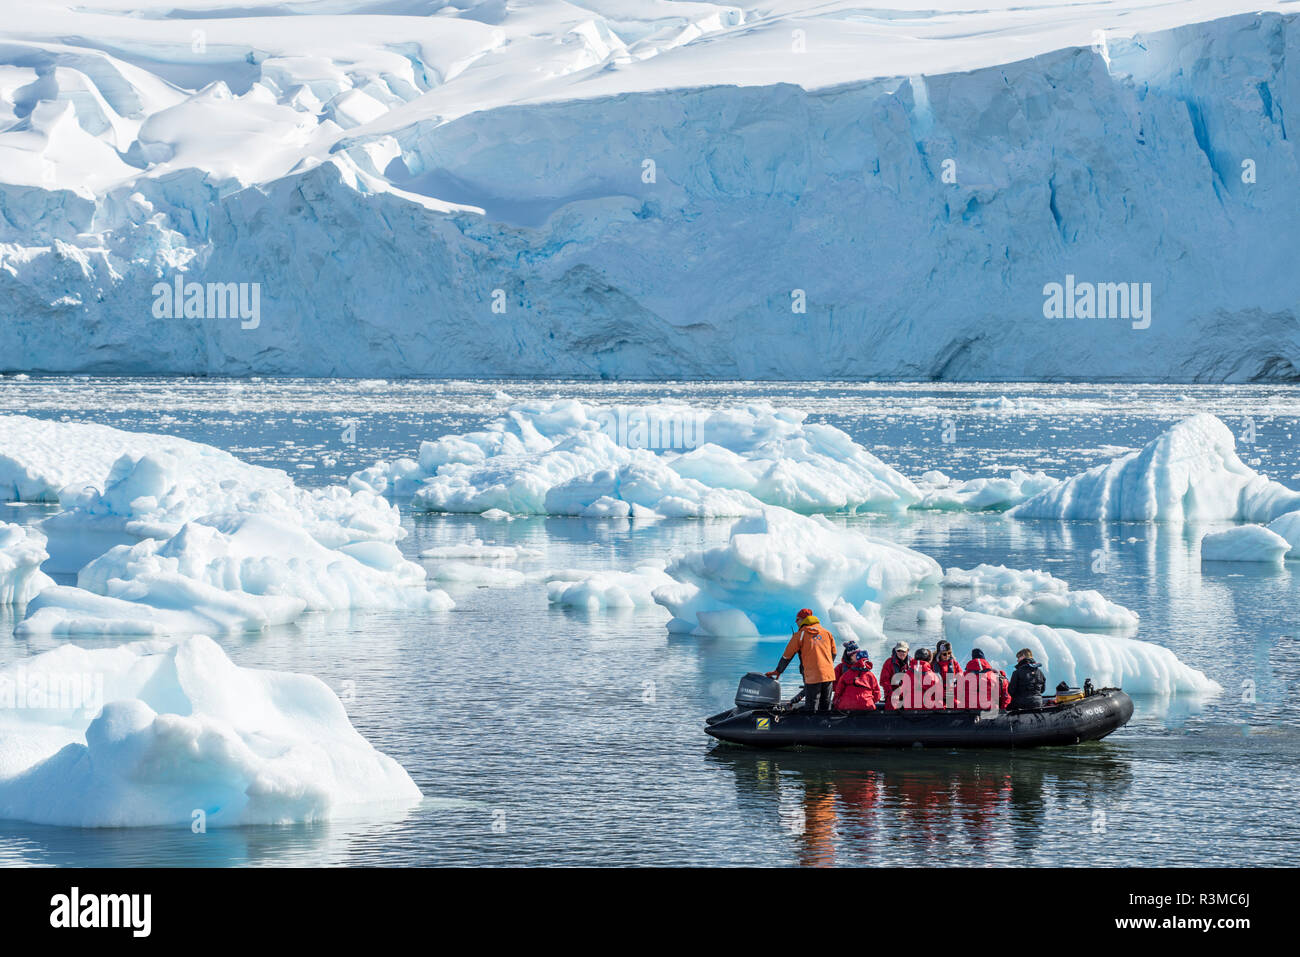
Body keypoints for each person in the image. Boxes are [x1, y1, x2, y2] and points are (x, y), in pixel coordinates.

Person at [767, 608, 838, 712]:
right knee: (825, 707)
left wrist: (778, 671)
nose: (796, 622)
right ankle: (825, 727)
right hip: (828, 675)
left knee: (811, 708)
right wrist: (824, 666)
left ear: (802, 620)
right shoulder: (827, 633)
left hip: (813, 676)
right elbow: (834, 653)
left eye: (797, 620)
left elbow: (787, 656)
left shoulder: (800, 635)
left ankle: (810, 726)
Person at [879, 641, 911, 710]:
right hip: (892, 693)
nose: (901, 653)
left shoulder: (912, 663)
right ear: (895, 651)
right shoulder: (889, 662)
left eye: (903, 651)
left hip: (907, 692)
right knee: (891, 705)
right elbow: (884, 681)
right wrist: (893, 693)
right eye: (899, 651)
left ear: (908, 651)